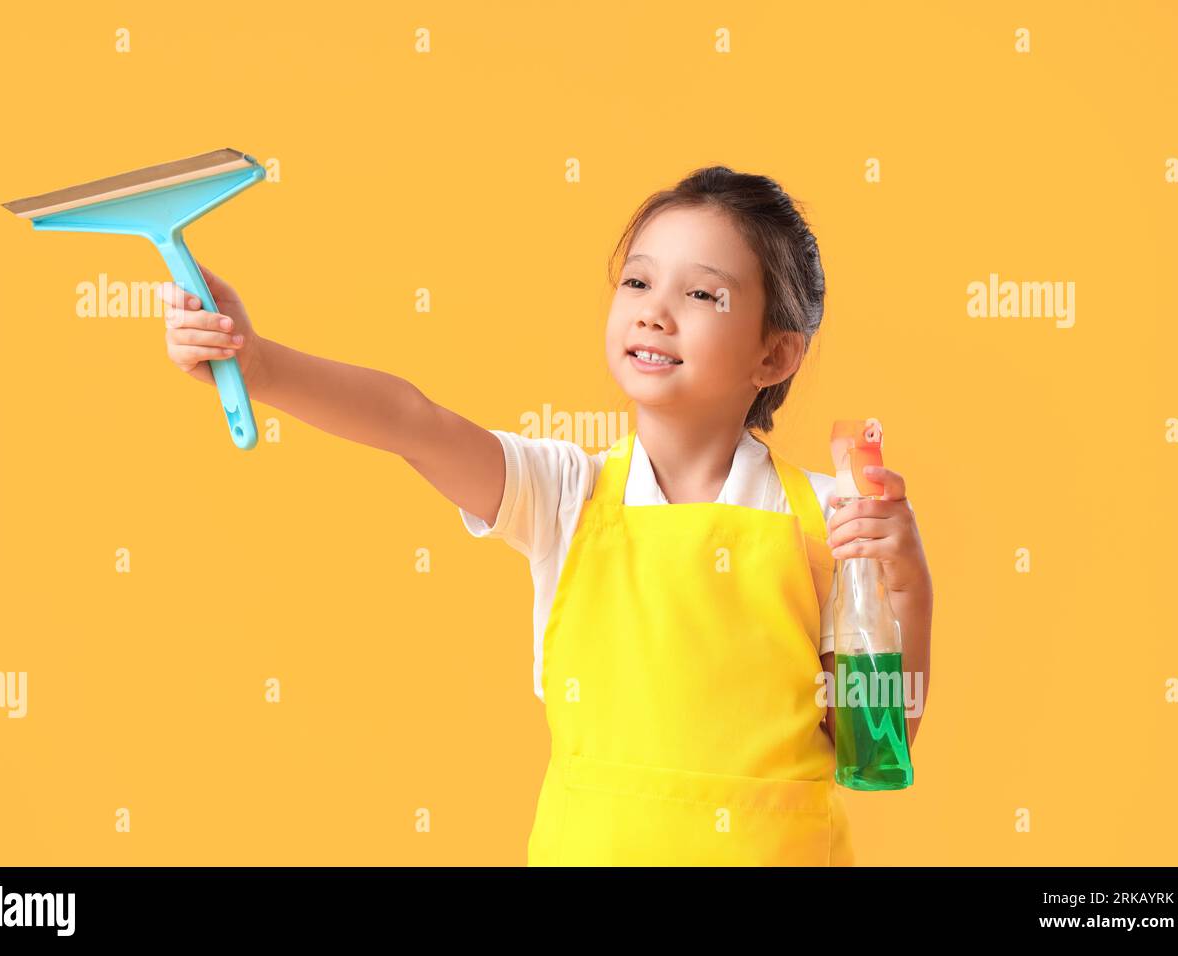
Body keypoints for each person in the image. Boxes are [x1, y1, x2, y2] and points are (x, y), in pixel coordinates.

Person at [160, 165, 934, 866]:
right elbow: (412, 421)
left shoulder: (834, 518)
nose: (655, 313)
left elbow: (872, 741)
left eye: (701, 294)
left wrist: (903, 580)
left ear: (775, 357)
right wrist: (259, 364)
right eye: (636, 283)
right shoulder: (565, 497)